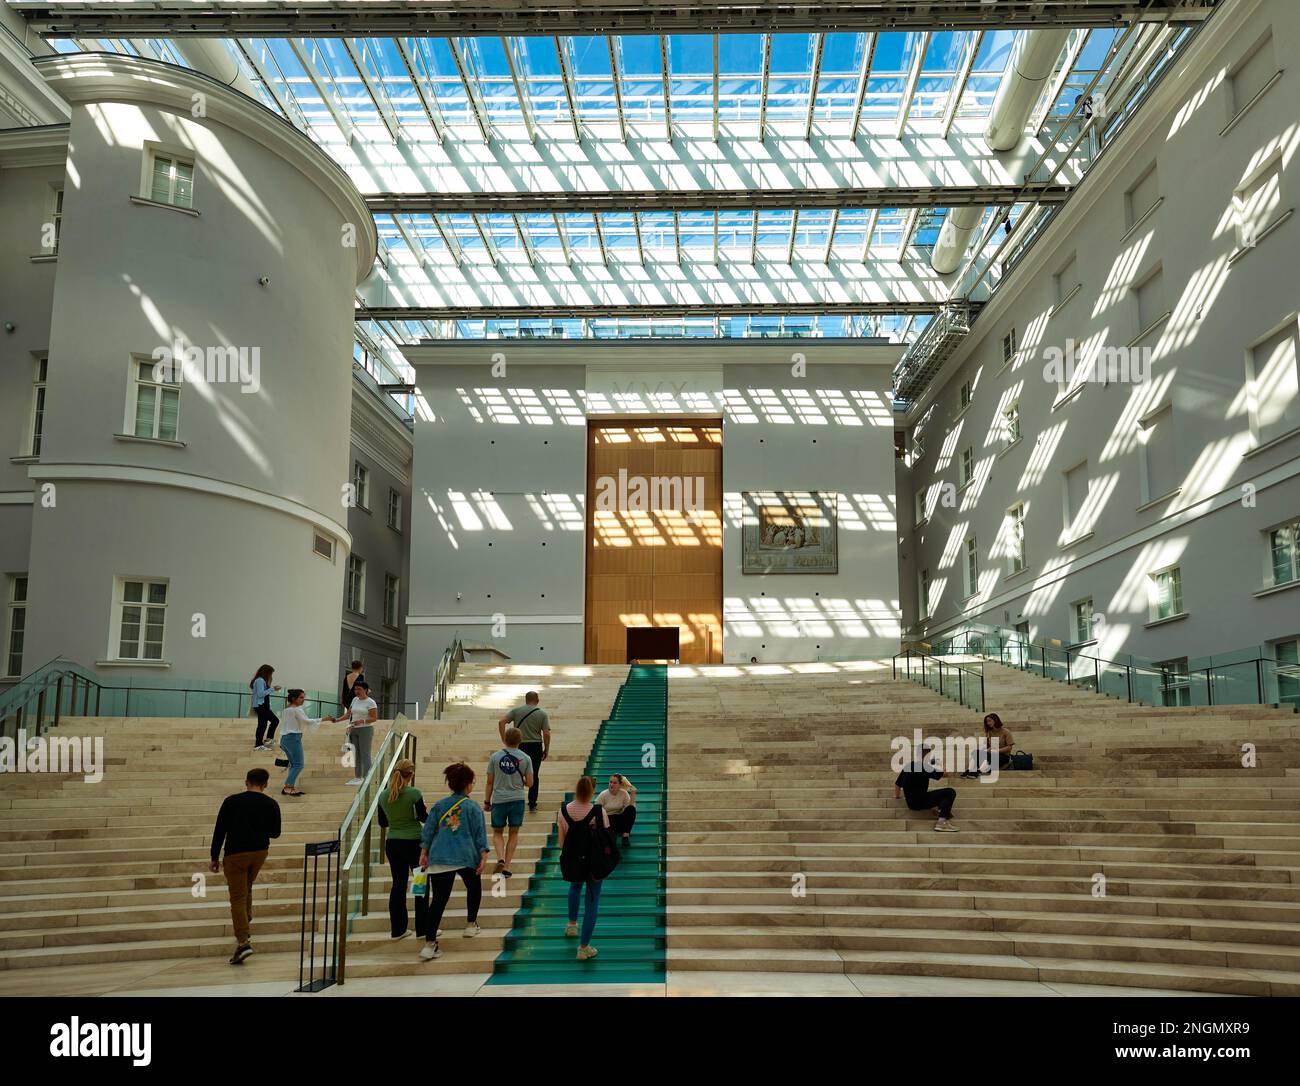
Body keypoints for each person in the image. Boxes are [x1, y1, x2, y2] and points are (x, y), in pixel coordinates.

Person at [209, 767, 282, 964]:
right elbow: (275, 833)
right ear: (266, 784)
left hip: (236, 854)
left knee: (237, 897)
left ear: (246, 781)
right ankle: (246, 921)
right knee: (246, 888)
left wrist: (214, 856)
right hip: (259, 852)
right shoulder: (272, 804)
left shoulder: (232, 802)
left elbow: (220, 830)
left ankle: (243, 942)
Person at [418, 762, 489, 960]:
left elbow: (429, 830)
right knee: (474, 887)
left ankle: (429, 944)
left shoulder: (439, 805)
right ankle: (470, 924)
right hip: (466, 856)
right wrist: (484, 855)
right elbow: (479, 834)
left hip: (440, 856)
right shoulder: (473, 807)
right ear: (468, 784)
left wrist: (424, 852)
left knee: (438, 900)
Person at [558, 775, 611, 960]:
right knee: (592, 901)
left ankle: (571, 925)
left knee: (574, 887)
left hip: (572, 860)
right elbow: (605, 839)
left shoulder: (564, 811)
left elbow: (561, 841)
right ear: (592, 791)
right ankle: (583, 947)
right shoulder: (599, 812)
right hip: (593, 862)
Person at [377, 758, 430, 940]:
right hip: (414, 843)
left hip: (393, 844)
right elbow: (424, 818)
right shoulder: (414, 794)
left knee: (398, 885)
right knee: (420, 885)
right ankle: (423, 929)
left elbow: (382, 822)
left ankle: (398, 930)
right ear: (411, 774)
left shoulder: (383, 795)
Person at [484, 727, 533, 878]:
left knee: (498, 832)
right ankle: (507, 866)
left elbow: (490, 782)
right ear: (520, 741)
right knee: (514, 832)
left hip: (499, 799)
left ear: (505, 739)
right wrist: (522, 781)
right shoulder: (526, 758)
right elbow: (530, 783)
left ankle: (500, 858)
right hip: (517, 799)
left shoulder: (495, 757)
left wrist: (487, 801)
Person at [498, 691, 549, 812]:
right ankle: (532, 804)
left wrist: (504, 739)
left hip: (519, 746)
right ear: (537, 701)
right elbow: (546, 733)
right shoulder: (542, 714)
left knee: (516, 773)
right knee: (534, 774)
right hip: (535, 746)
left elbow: (501, 722)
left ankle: (514, 800)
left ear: (525, 700)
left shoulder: (516, 711)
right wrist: (546, 749)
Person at [278, 689, 332, 796]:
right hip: (293, 738)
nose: (303, 700)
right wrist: (324, 719)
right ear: (294, 698)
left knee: (293, 764)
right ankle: (288, 787)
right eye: (301, 697)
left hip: (285, 739)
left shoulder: (286, 710)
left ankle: (290, 786)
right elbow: (307, 721)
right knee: (298, 764)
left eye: (303, 697)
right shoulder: (297, 709)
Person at [894, 745, 959, 832]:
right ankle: (942, 822)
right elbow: (945, 774)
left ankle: (941, 810)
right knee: (950, 792)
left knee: (938, 795)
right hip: (921, 802)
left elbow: (897, 784)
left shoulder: (908, 766)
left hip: (911, 804)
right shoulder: (925, 767)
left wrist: (897, 796)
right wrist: (940, 763)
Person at [342, 680, 379, 785]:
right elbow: (348, 714)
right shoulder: (354, 700)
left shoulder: (371, 702)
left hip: (365, 729)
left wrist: (362, 721)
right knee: (356, 754)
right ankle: (358, 777)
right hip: (354, 729)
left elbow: (374, 718)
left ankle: (367, 777)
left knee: (365, 753)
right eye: (355, 689)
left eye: (359, 689)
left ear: (366, 690)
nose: (356, 691)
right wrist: (336, 719)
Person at [962, 713, 1015, 779]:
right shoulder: (990, 732)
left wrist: (997, 751)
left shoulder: (1006, 732)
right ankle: (970, 770)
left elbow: (1009, 747)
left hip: (1004, 756)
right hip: (993, 754)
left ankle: (978, 772)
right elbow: (992, 746)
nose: (988, 723)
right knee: (976, 752)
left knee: (991, 756)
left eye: (990, 721)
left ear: (995, 720)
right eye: (987, 721)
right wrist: (986, 751)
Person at [597, 773, 637, 846]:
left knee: (632, 809)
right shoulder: (603, 794)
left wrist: (633, 795)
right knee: (611, 822)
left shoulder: (624, 793)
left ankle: (625, 836)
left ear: (620, 785)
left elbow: (630, 809)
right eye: (610, 782)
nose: (611, 784)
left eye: (615, 783)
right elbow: (596, 811)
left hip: (619, 820)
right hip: (607, 821)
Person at [249, 664, 281, 752]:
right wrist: (272, 689)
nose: (271, 676)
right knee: (271, 722)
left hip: (263, 706)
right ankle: (261, 743)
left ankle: (264, 741)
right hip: (261, 706)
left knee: (264, 724)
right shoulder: (259, 680)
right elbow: (260, 694)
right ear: (266, 673)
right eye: (271, 673)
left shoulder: (261, 680)